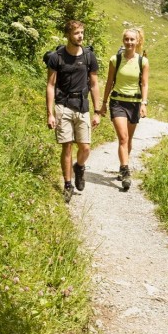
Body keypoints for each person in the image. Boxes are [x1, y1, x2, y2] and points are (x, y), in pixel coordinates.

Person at [46, 20, 101, 202]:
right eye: (77, 33)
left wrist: (97, 111)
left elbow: (94, 84)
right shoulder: (57, 57)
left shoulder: (88, 56)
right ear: (68, 34)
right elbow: (51, 85)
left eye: (82, 32)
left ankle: (80, 167)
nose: (81, 36)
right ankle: (67, 184)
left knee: (85, 148)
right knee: (67, 145)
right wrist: (50, 113)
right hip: (63, 105)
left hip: (82, 105)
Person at [100, 26, 149, 191]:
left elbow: (144, 83)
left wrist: (144, 103)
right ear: (123, 40)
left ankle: (123, 165)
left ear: (137, 41)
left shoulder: (143, 61)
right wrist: (104, 102)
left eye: (132, 39)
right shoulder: (115, 60)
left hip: (134, 103)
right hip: (118, 102)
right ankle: (125, 171)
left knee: (129, 139)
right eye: (126, 39)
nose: (129, 42)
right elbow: (109, 82)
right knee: (123, 138)